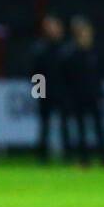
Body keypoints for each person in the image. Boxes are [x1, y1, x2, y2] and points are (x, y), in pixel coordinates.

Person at [63, 15, 104, 167]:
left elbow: (101, 75)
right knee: (81, 129)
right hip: (77, 97)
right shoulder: (70, 54)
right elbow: (65, 77)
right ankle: (84, 160)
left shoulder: (96, 52)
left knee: (99, 129)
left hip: (94, 95)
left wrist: (102, 93)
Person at [29, 14, 71, 162]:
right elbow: (35, 73)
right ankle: (42, 156)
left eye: (53, 26)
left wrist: (70, 92)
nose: (51, 29)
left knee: (65, 125)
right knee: (44, 125)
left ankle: (68, 155)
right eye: (48, 26)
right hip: (45, 93)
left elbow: (72, 74)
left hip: (64, 92)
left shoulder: (67, 49)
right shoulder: (39, 49)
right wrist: (38, 93)